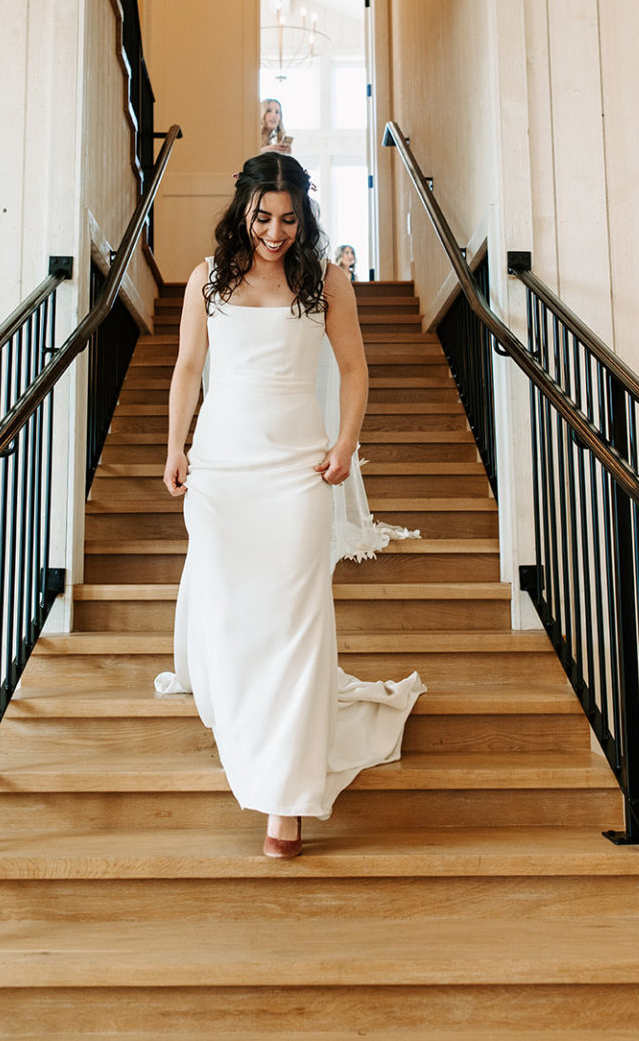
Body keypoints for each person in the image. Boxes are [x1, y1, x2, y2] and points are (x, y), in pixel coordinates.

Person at [159, 153, 424, 858]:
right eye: (262, 217)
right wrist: (174, 447)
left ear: (303, 219)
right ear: (241, 211)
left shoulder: (326, 280)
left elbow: (356, 368)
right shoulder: (206, 280)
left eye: (288, 219)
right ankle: (252, 739)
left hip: (298, 472)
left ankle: (285, 798)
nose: (275, 232)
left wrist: (346, 442)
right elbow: (189, 368)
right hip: (222, 471)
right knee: (237, 618)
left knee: (297, 623)